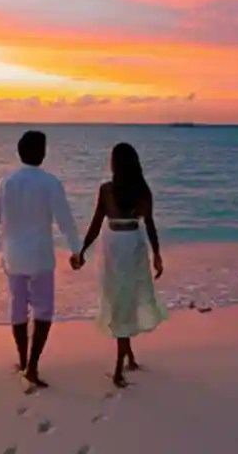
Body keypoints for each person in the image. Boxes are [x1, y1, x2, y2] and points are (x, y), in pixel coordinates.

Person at [0, 130, 82, 389]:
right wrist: (76, 250)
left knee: (17, 308)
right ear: (43, 153)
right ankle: (33, 365)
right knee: (43, 311)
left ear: (19, 152)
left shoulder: (7, 181)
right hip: (40, 256)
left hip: (14, 257)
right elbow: (65, 220)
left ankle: (23, 359)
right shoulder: (50, 182)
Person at [78, 142, 167, 388]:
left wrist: (82, 249)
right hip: (134, 245)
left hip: (114, 248)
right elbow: (149, 224)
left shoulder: (107, 190)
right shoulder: (142, 190)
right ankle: (129, 358)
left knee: (120, 303)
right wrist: (157, 254)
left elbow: (96, 223)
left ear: (115, 163)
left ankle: (119, 370)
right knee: (125, 302)